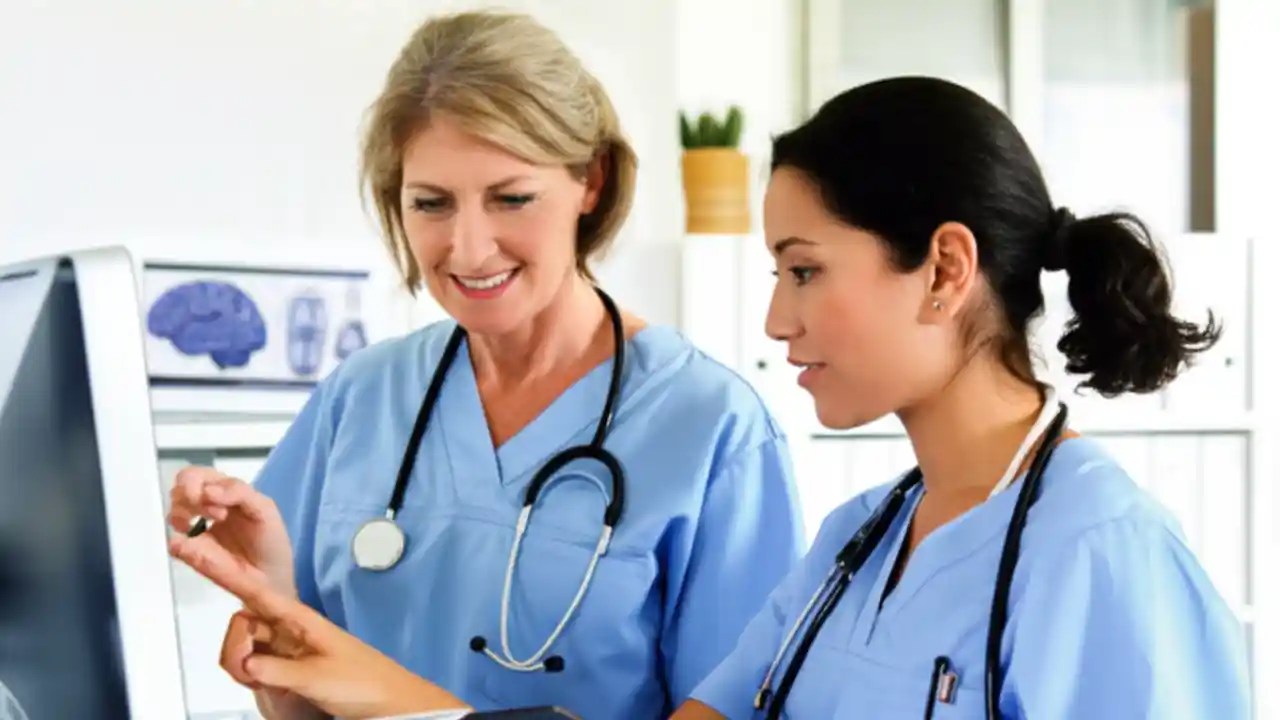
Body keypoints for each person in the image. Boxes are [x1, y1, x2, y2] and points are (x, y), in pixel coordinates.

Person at [174, 75, 1254, 719]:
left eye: (804, 270)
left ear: (941, 267)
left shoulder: (1098, 554)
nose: (777, 321)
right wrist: (365, 682)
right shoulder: (854, 547)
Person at [165, 10, 804, 720]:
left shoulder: (711, 428)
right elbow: (310, 703)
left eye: (512, 198)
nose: (468, 250)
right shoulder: (361, 398)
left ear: (590, 182)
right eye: (431, 204)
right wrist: (277, 614)